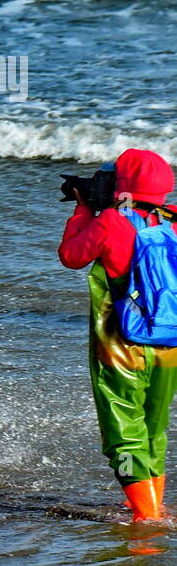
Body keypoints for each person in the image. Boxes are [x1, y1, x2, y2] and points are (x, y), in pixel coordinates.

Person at [58, 149, 177, 522]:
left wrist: (82, 212)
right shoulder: (173, 222)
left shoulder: (111, 221)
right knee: (152, 427)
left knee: (122, 432)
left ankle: (147, 519)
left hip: (121, 343)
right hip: (170, 342)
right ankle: (152, 504)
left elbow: (71, 256)